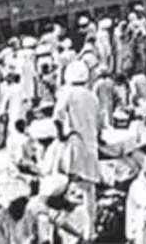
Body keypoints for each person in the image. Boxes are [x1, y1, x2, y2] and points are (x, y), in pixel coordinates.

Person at [54, 61, 100, 240]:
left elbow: (57, 117)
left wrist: (61, 136)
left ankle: (69, 230)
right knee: (90, 191)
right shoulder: (91, 96)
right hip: (91, 145)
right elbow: (98, 123)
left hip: (74, 143)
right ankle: (90, 230)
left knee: (69, 185)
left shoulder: (68, 94)